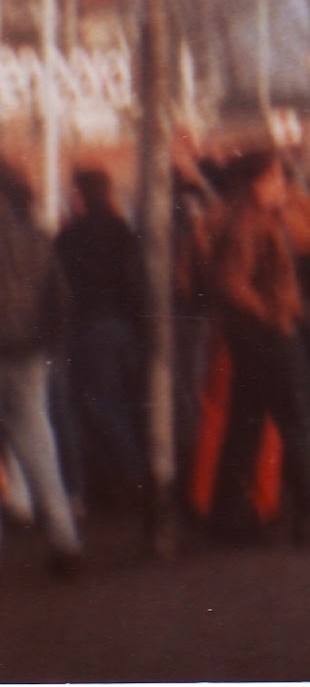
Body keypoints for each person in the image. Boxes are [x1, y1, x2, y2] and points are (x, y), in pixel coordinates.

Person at [208, 151, 310, 548]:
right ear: (255, 183)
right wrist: (269, 314)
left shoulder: (262, 217)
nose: (283, 184)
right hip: (270, 333)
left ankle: (228, 512)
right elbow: (232, 282)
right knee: (299, 421)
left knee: (245, 423)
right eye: (276, 178)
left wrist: (291, 194)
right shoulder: (249, 223)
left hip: (252, 336)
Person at [0, 161, 83, 578]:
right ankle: (65, 539)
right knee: (39, 446)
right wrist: (49, 346)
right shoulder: (37, 238)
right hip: (29, 354)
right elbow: (60, 300)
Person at [54, 168, 146, 508]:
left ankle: (130, 474)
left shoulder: (72, 236)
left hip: (92, 326)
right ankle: (130, 474)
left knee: (99, 404)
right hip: (123, 324)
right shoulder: (123, 230)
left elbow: (61, 286)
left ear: (80, 194)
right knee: (118, 401)